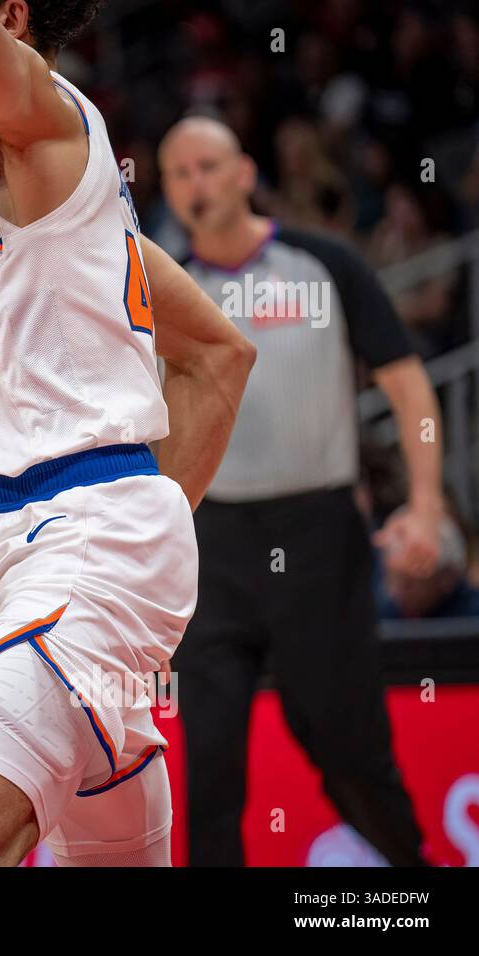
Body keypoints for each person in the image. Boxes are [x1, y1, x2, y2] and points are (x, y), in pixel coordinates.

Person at [0, 0, 254, 867]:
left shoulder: (41, 116)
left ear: (5, 16)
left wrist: (121, 528)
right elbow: (219, 354)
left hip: (81, 551)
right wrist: (148, 518)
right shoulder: (67, 209)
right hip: (51, 548)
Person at [159, 115, 439, 866]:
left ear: (246, 172)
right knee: (209, 766)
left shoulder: (322, 264)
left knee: (349, 750)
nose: (197, 184)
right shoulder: (165, 291)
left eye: (209, 166)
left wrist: (427, 505)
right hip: (208, 540)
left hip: (316, 538)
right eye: (179, 173)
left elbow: (409, 385)